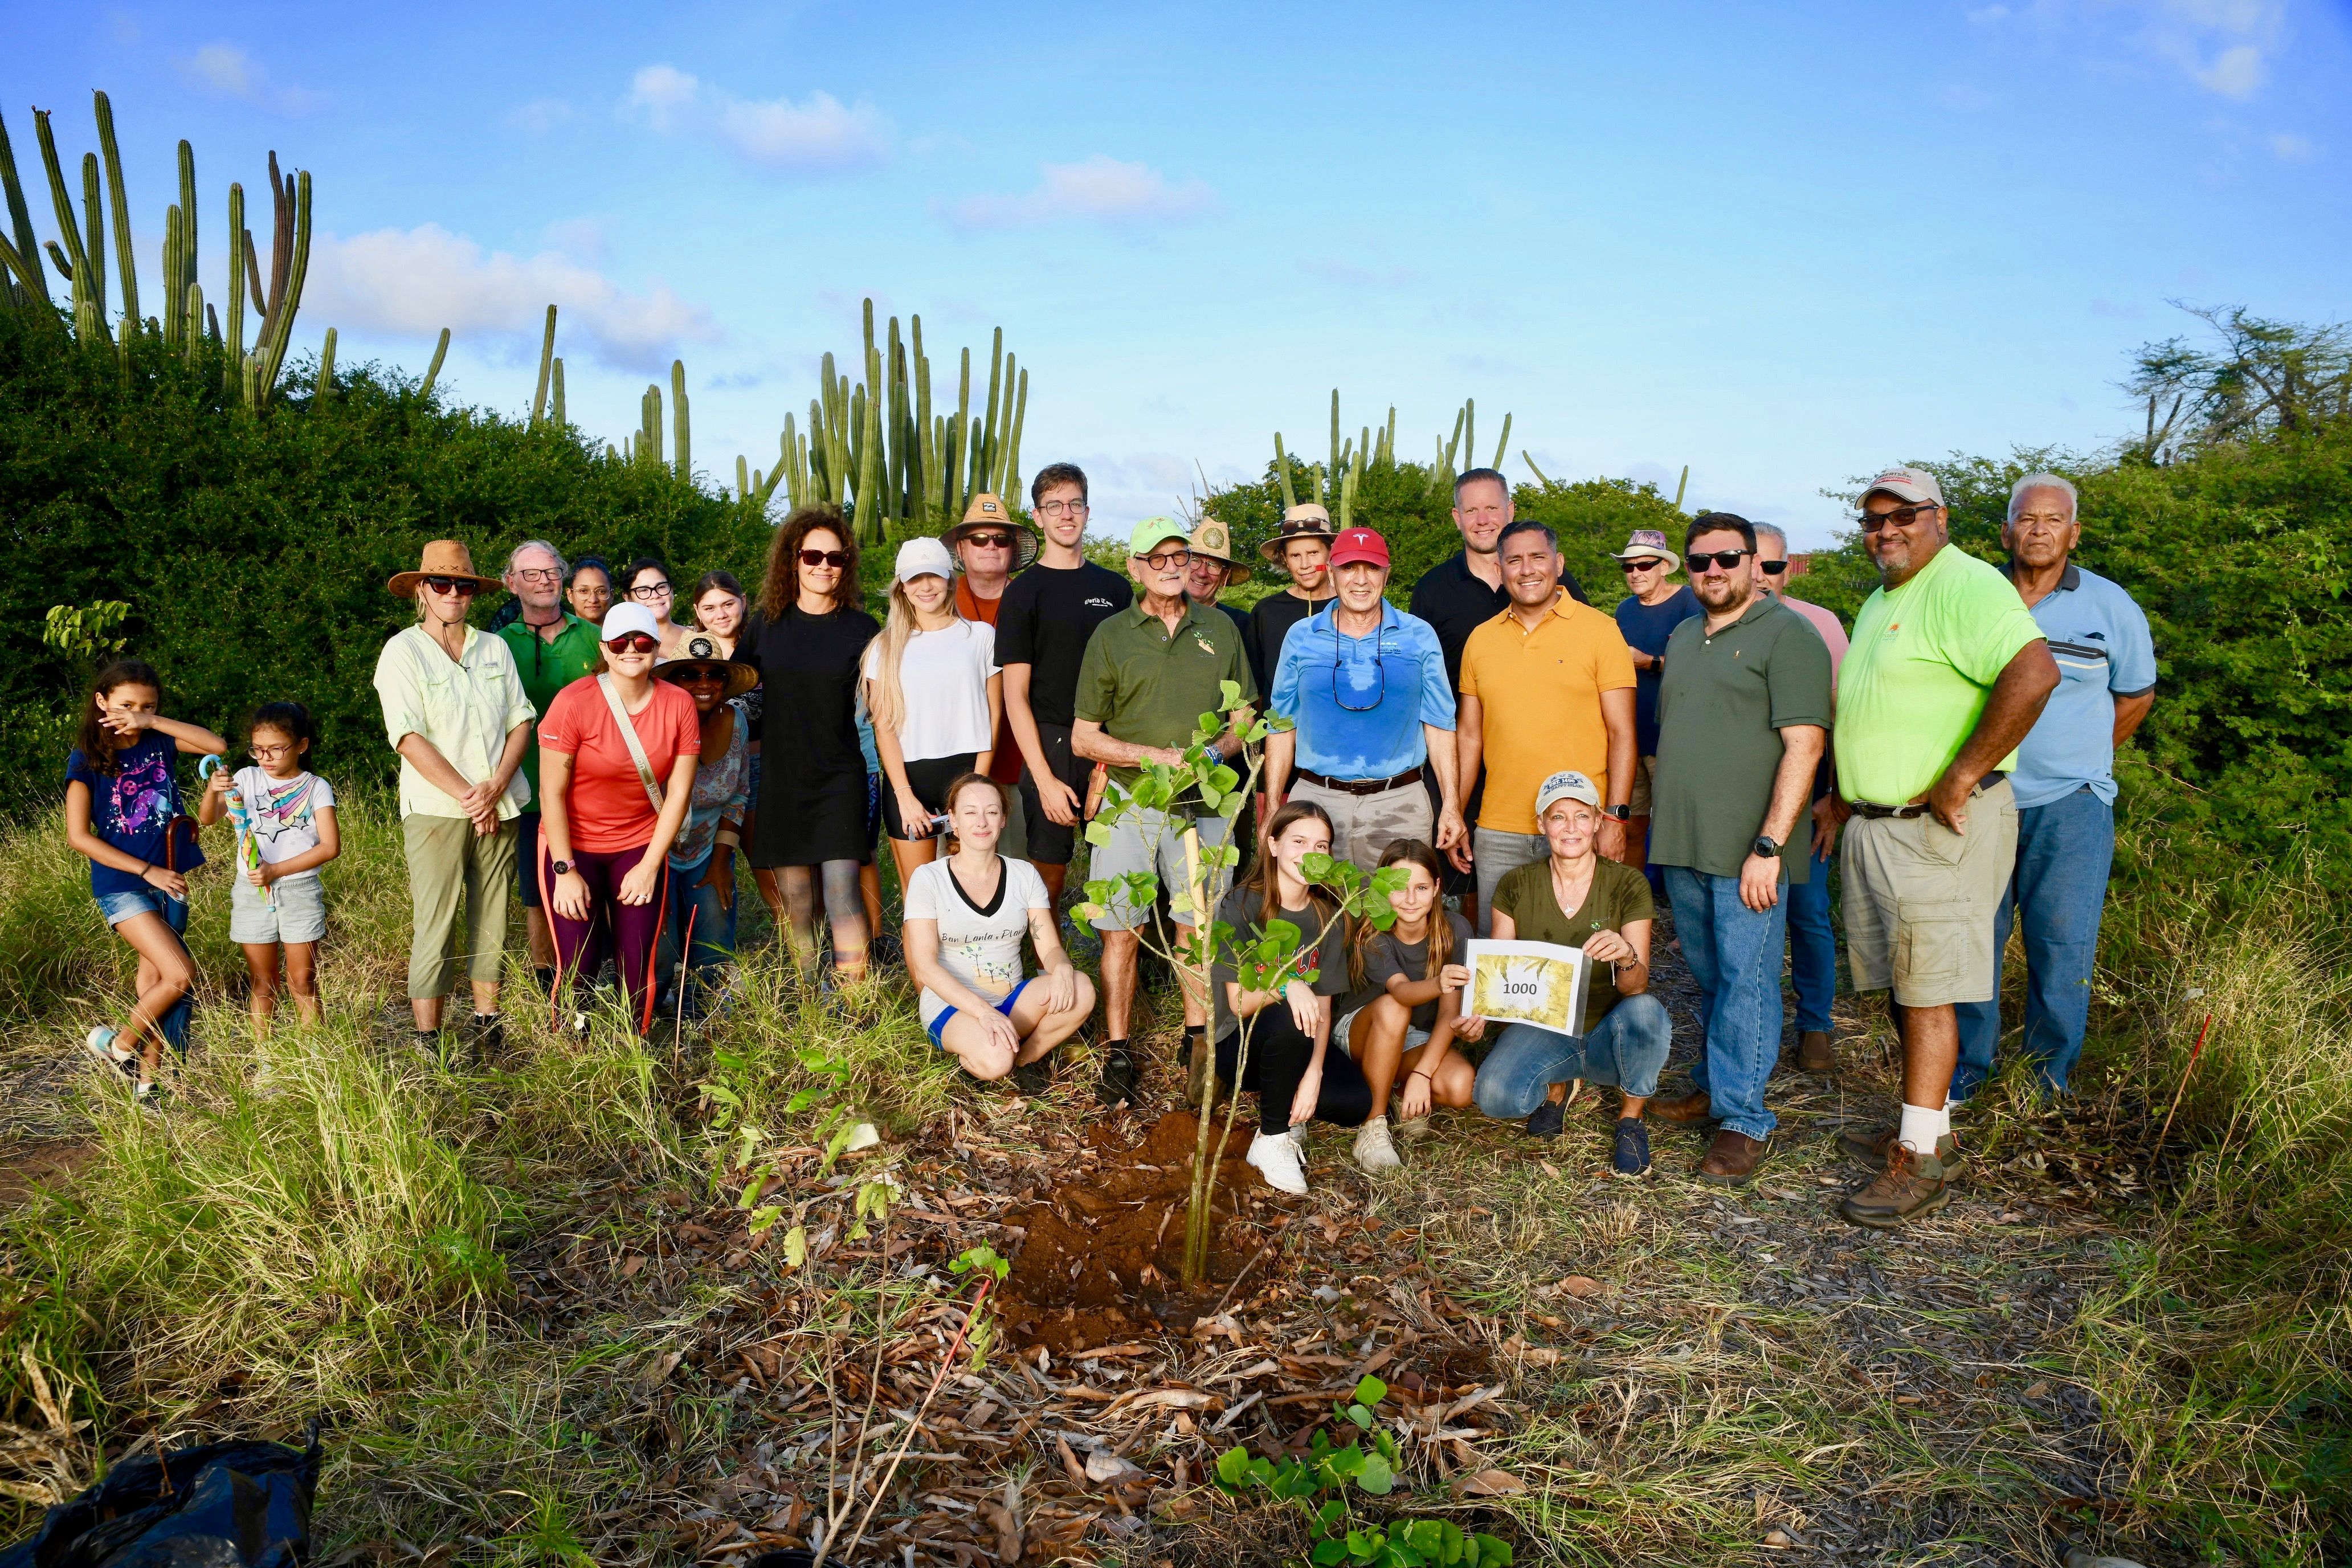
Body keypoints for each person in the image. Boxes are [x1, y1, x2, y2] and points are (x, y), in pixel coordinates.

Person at [1820, 467, 2057, 1228]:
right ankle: (1928, 1129)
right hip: (1877, 823)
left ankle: (1920, 1159)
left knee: (1927, 990)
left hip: (1938, 828)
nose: (1884, 528)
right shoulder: (1880, 599)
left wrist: (1962, 773)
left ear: (1940, 518)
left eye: (1901, 515)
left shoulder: (1965, 584)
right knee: (1904, 984)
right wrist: (1840, 792)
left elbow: (2035, 672)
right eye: (1872, 518)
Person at [1952, 473, 2156, 1100]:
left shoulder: (2110, 605)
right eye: (2026, 518)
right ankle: (1964, 1073)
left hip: (2071, 805)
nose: (2038, 530)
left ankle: (2044, 1085)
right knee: (1972, 940)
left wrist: (2083, 759)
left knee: (2061, 944)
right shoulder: (1974, 594)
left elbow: (2137, 696)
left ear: (2074, 532)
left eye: (2052, 519)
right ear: (2006, 529)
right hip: (1981, 799)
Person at [1643, 515, 1832, 1185]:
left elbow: (1805, 745)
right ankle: (1717, 1087)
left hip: (1750, 850)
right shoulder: (1686, 635)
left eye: (1728, 558)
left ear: (1754, 563)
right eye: (1700, 561)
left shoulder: (1789, 635)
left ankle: (1744, 1119)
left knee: (1748, 981)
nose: (1713, 571)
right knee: (1713, 975)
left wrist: (1770, 845)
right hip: (1685, 843)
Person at [1073, 516, 1256, 1105]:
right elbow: (1083, 736)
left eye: (1180, 556)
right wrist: (1150, 755)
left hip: (1203, 799)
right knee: (1121, 928)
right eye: (1158, 559)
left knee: (1197, 925)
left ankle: (1198, 1039)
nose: (1173, 566)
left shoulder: (1221, 629)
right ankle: (1119, 1049)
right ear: (1134, 568)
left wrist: (1210, 753)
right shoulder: (1110, 634)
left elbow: (1245, 719)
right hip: (1129, 799)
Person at [374, 540, 536, 1056]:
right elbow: (407, 736)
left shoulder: (494, 647)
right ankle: (429, 1036)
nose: (453, 593)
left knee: (492, 914)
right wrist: (472, 797)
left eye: (463, 585)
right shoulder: (402, 651)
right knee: (436, 919)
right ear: (421, 590)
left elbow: (521, 720)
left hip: (502, 801)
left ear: (474, 593)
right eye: (441, 584)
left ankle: (489, 1022)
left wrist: (494, 788)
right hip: (438, 810)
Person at [1410, 468, 1589, 926]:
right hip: (1457, 752)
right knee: (1455, 867)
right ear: (1456, 517)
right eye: (1472, 509)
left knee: (1542, 869)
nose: (1483, 518)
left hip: (1536, 754)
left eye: (1493, 507)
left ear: (1511, 511)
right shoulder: (1433, 590)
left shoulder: (1554, 586)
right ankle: (1462, 968)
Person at [1471, 771, 1670, 1175]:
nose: (1570, 828)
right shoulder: (1516, 884)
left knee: (1648, 1012)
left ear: (1598, 821)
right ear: (1541, 824)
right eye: (1558, 817)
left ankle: (1630, 1120)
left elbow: (1638, 986)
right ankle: (1558, 1086)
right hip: (1545, 1025)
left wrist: (1626, 956)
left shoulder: (1628, 883)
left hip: (1607, 1026)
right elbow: (1503, 978)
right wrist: (1478, 1011)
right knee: (1495, 1097)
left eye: (1581, 816)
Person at [1455, 519, 1637, 926]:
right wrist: (1457, 812)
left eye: (1537, 557)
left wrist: (1615, 818)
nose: (1526, 569)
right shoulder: (1480, 640)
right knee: (1498, 957)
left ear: (1558, 563)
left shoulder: (1601, 631)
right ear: (1500, 571)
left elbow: (1622, 732)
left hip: (1580, 824)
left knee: (1582, 953)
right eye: (1514, 560)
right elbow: (1469, 737)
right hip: (1500, 829)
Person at [536, 602, 701, 1032]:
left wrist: (649, 866)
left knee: (638, 962)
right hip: (572, 845)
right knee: (579, 963)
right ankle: (574, 1052)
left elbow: (679, 792)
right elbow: (551, 793)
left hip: (640, 842)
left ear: (656, 649)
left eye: (643, 641)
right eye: (620, 642)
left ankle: (634, 1050)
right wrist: (565, 870)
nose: (632, 649)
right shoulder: (573, 703)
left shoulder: (679, 704)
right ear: (605, 650)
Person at [67, 660, 226, 1105]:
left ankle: (147, 1084)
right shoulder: (86, 759)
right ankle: (117, 1048)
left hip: (171, 874)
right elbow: (78, 837)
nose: (134, 713)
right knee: (180, 974)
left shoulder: (159, 739)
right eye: (125, 705)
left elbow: (216, 744)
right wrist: (145, 871)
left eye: (147, 705)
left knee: (155, 982)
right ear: (101, 702)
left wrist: (150, 721)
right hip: (123, 884)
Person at [1264, 526, 1465, 873]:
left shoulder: (1419, 635)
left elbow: (1440, 724)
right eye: (1348, 568)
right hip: (1315, 804)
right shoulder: (1301, 637)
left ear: (1387, 574)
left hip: (1400, 804)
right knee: (1317, 916)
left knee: (1400, 916)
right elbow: (1282, 726)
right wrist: (1271, 809)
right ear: (1331, 572)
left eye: (1372, 568)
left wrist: (1451, 804)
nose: (1360, 580)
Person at [739, 507, 880, 981]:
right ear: (792, 560)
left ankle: (853, 1007)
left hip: (840, 776)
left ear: (846, 565)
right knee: (797, 899)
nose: (824, 566)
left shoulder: (863, 630)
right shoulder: (765, 625)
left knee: (842, 892)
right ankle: (805, 999)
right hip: (782, 779)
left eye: (835, 558)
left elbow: (889, 702)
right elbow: (734, 692)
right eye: (812, 555)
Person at [1210, 802, 1375, 1194]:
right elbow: (1238, 1003)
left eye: (1321, 846)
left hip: (1303, 1036)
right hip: (1243, 1045)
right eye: (1298, 841)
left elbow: (1323, 1007)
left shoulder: (1328, 916)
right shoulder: (1241, 905)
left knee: (1355, 1103)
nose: (1309, 853)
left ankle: (1289, 1097)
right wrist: (1287, 985)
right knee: (1290, 1012)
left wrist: (1314, 1074)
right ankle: (1271, 1140)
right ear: (1273, 844)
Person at [904, 774, 1096, 1091]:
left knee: (1082, 990)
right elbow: (925, 966)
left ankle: (1027, 1058)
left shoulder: (1023, 875)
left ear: (1004, 819)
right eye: (970, 812)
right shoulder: (929, 879)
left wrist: (1061, 967)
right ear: (952, 818)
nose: (982, 821)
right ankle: (988, 1051)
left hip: (1012, 1001)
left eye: (992, 812)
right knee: (995, 1059)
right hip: (952, 1007)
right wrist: (983, 1014)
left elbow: (1048, 947)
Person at [998, 462, 1133, 906]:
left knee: (1122, 872)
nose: (1066, 514)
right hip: (1050, 744)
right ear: (1037, 517)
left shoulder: (1114, 589)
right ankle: (1046, 971)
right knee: (1047, 880)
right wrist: (1044, 779)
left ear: (1088, 511)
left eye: (1074, 503)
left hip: (1111, 746)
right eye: (1054, 506)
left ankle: (1128, 967)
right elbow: (1014, 697)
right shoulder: (1023, 593)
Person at [1755, 521, 1848, 1072]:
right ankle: (1758, 1031)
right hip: (1742, 796)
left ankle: (1816, 1023)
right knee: (1751, 918)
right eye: (1754, 564)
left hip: (1808, 794)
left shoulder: (1821, 624)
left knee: (1809, 914)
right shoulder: (1712, 626)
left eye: (1773, 566)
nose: (1763, 577)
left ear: (1786, 568)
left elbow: (1844, 718)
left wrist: (1835, 797)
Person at [495, 541, 605, 993]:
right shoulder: (497, 646)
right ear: (511, 583)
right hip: (527, 786)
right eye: (532, 573)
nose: (544, 581)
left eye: (553, 572)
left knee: (597, 880)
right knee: (537, 889)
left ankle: (600, 971)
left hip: (595, 786)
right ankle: (548, 980)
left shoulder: (595, 637)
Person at [1333, 839, 1481, 1170]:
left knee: (1461, 1087)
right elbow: (1401, 993)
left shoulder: (1455, 929)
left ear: (1437, 888)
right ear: (1383, 888)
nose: (1411, 899)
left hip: (1411, 1035)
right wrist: (1437, 983)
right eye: (1399, 888)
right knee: (1394, 1008)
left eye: (1422, 887)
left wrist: (1421, 1073)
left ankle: (1398, 1087)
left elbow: (1449, 1012)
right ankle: (1372, 1126)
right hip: (1359, 1030)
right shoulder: (1373, 933)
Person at [864, 536, 1003, 889]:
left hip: (967, 774)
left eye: (934, 576)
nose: (926, 586)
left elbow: (994, 717)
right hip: (910, 783)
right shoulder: (884, 647)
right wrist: (905, 796)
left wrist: (975, 789)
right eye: (914, 579)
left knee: (974, 890)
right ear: (902, 587)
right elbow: (884, 729)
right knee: (920, 900)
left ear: (949, 579)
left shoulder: (982, 637)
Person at [198, 701, 341, 1038]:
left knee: (302, 980)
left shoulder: (316, 787)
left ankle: (312, 1057)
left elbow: (330, 847)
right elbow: (208, 818)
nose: (266, 759)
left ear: (301, 746)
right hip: (251, 890)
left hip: (299, 891)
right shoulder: (246, 779)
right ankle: (266, 1059)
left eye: (276, 749)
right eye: (258, 750)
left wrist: (277, 870)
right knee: (262, 981)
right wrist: (213, 789)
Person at [654, 635, 754, 1020]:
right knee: (659, 949)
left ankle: (702, 1012)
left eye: (714, 674)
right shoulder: (656, 723)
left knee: (713, 939)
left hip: (709, 850)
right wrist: (652, 869)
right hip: (652, 853)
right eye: (690, 674)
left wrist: (721, 862)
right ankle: (650, 1009)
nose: (704, 682)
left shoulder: (737, 721)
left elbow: (738, 793)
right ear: (673, 681)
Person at [944, 493, 1039, 859]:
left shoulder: (1033, 599)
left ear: (1012, 551)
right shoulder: (937, 599)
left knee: (1016, 865)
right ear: (962, 549)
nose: (990, 546)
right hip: (951, 761)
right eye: (980, 539)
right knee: (951, 869)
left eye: (1000, 539)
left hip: (1018, 761)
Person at [1608, 528, 1700, 889]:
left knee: (1680, 830)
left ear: (1665, 567)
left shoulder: (1691, 603)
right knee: (1630, 824)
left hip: (1674, 738)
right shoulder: (1624, 610)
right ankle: (1631, 901)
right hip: (1630, 736)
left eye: (1645, 565)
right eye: (1628, 568)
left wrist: (1651, 662)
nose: (1635, 573)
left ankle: (1686, 915)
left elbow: (1703, 664)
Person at [1245, 503, 1337, 697]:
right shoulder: (1266, 612)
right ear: (1285, 560)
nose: (1305, 565)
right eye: (1295, 556)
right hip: (1279, 724)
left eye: (1313, 553)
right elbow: (1255, 685)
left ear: (1331, 553)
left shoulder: (1350, 607)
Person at [1184, 516, 1253, 640]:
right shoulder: (1157, 617)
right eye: (1195, 560)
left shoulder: (1243, 625)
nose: (1202, 573)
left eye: (1213, 565)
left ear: (1225, 576)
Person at [619, 557, 693, 658]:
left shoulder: (697, 635)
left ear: (672, 590)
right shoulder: (620, 644)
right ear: (627, 597)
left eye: (661, 587)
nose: (655, 596)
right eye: (644, 590)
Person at [566, 557, 614, 630]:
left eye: (601, 591)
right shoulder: (559, 639)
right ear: (570, 595)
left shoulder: (628, 637)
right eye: (584, 591)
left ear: (611, 595)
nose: (593, 600)